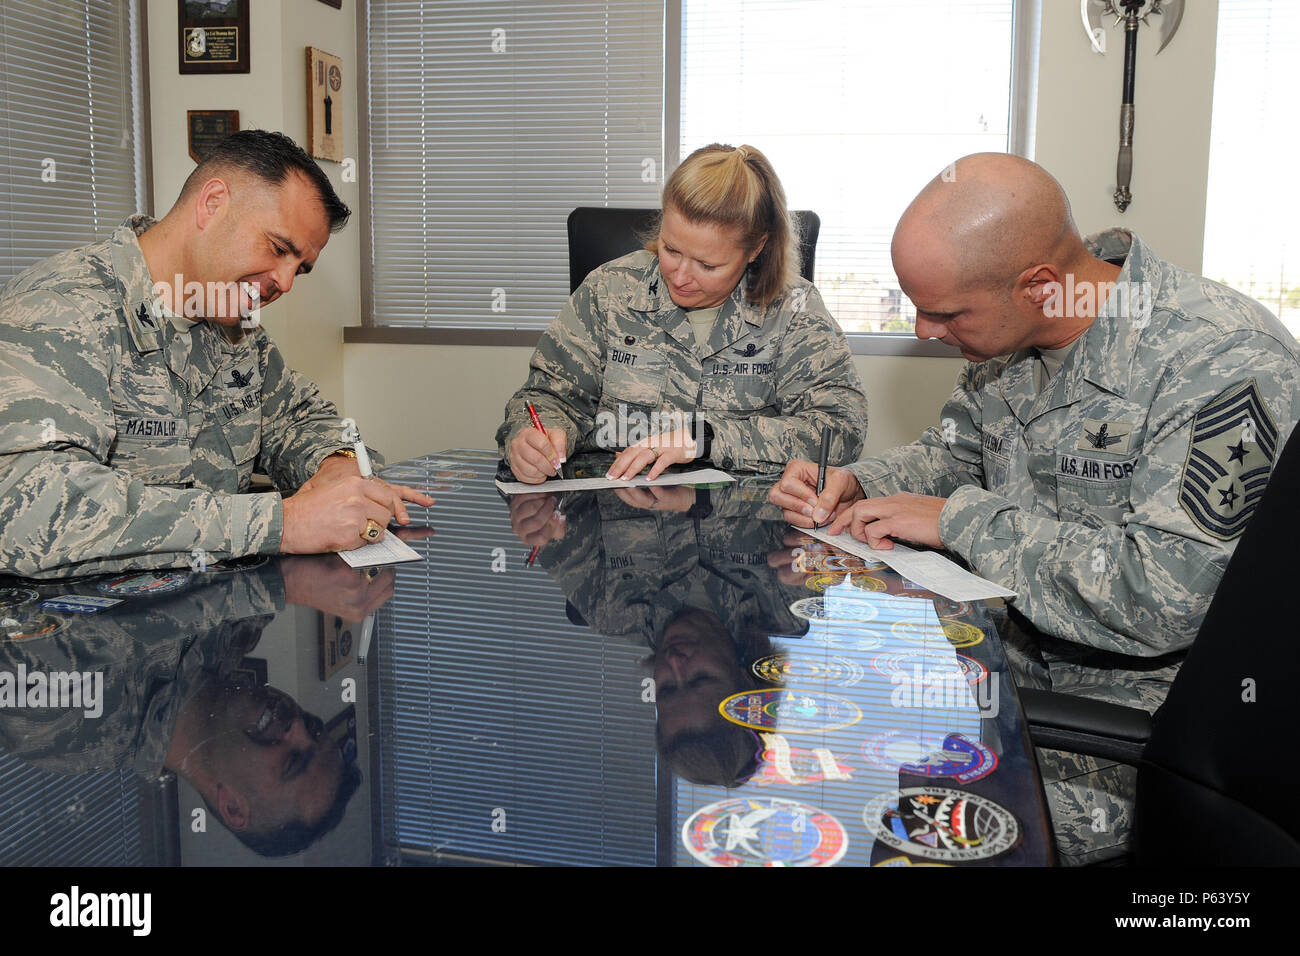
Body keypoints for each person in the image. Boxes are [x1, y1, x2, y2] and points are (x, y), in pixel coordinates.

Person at [770, 152, 1300, 862]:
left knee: (907, 835)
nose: (925, 331)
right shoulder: (1013, 334)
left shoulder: (1221, 359)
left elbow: (1161, 595)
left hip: (1139, 736)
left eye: (945, 312)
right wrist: (859, 483)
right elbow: (954, 453)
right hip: (1001, 675)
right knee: (810, 746)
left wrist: (960, 519)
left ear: (1042, 286)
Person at [0, 130, 433, 579]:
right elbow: (28, 507)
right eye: (279, 249)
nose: (284, 283)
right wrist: (283, 525)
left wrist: (336, 466)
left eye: (299, 269)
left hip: (213, 625)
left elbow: (297, 419)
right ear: (212, 203)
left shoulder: (232, 323)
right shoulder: (58, 312)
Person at [497, 143, 868, 483]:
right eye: (671, 250)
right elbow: (547, 397)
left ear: (756, 248)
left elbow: (839, 431)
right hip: (620, 524)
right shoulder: (608, 290)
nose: (680, 275)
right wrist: (532, 438)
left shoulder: (794, 309)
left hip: (749, 535)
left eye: (707, 265)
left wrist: (705, 439)